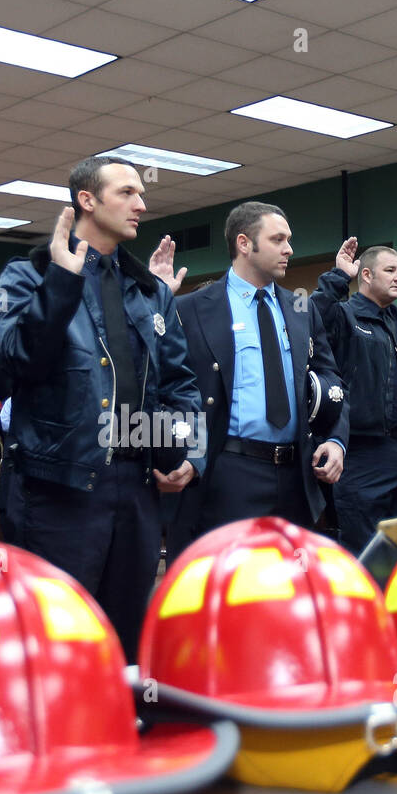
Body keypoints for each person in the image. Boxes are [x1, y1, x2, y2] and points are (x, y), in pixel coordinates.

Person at [0, 156, 203, 659]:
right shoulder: (28, 274)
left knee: (127, 636)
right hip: (60, 486)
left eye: (140, 193)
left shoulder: (150, 291)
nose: (141, 203)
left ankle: (120, 731)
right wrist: (60, 287)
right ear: (87, 200)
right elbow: (11, 364)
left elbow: (180, 383)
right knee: (57, 637)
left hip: (135, 486)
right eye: (127, 192)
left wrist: (190, 453)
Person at [165, 201, 347, 561]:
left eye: (289, 239)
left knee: (291, 590)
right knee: (235, 585)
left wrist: (337, 439)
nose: (289, 249)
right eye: (278, 239)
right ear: (244, 244)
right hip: (231, 471)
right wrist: (182, 453)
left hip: (298, 473)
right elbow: (171, 386)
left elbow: (331, 377)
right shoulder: (194, 308)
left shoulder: (301, 308)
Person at [310, 240, 397, 555]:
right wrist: (338, 276)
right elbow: (313, 315)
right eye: (390, 270)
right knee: (366, 553)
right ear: (365, 275)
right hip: (363, 455)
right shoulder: (345, 317)